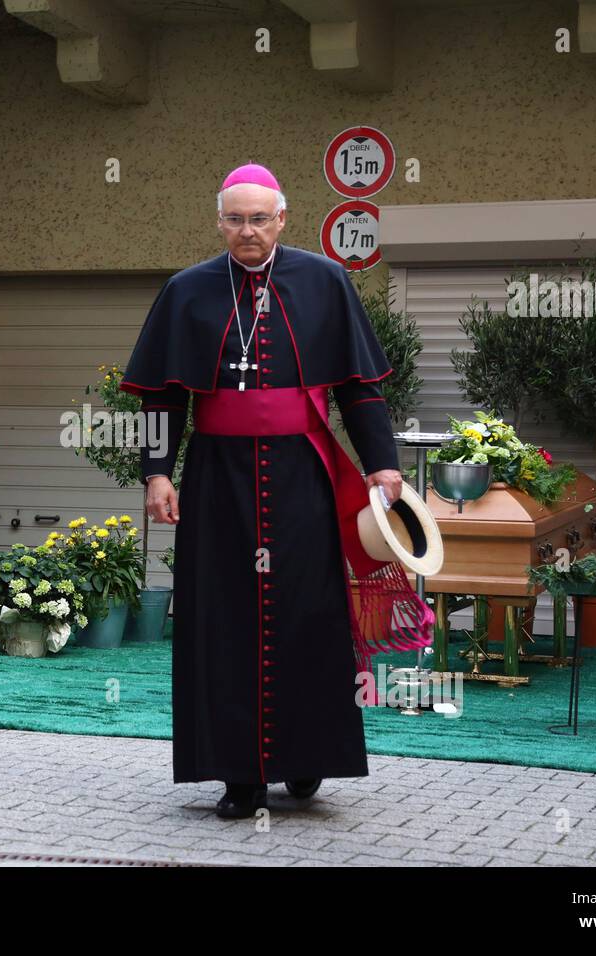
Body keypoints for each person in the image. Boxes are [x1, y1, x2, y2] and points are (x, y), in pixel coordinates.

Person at [120, 163, 424, 819]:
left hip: (302, 475)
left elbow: (359, 387)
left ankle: (308, 754)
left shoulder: (324, 281)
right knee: (220, 620)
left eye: (260, 219)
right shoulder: (188, 290)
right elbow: (160, 395)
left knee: (310, 615)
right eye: (235, 219)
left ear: (282, 219)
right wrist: (156, 470)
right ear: (219, 220)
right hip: (216, 478)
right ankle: (239, 775)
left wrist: (382, 463)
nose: (247, 231)